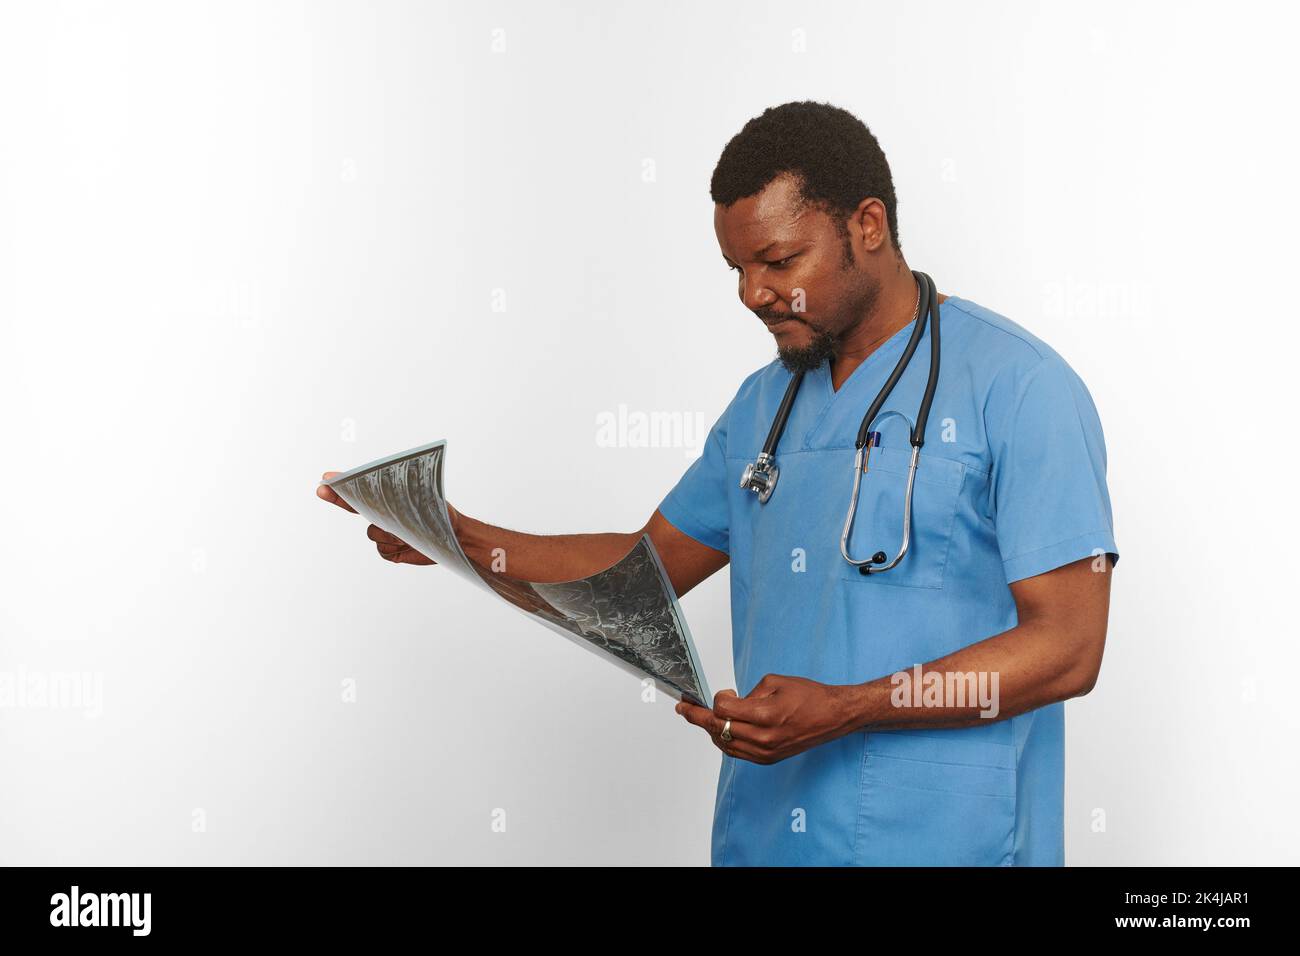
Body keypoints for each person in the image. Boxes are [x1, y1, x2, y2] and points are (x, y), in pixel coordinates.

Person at [318, 100, 1118, 866]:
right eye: (737, 268)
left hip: (949, 843)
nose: (752, 294)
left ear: (867, 226)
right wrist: (459, 538)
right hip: (770, 838)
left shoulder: (1018, 389)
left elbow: (1069, 649)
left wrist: (848, 708)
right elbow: (639, 574)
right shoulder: (765, 405)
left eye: (778, 261)